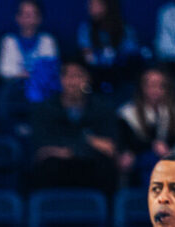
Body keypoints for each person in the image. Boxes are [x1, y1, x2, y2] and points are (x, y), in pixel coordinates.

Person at [28, 59, 125, 193]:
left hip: (92, 166)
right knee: (47, 167)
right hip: (57, 167)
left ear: (88, 79)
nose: (73, 82)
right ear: (61, 79)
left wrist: (71, 146)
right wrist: (89, 141)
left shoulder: (102, 108)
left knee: (106, 167)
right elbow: (42, 149)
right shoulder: (45, 109)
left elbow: (110, 146)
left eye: (78, 76)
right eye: (68, 76)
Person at [117, 67, 175, 182]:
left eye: (161, 86)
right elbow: (126, 144)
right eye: (151, 85)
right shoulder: (127, 114)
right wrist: (152, 147)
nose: (156, 90)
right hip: (140, 164)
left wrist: (170, 154)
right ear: (141, 87)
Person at [0, 0, 61, 100]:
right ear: (18, 18)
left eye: (33, 15)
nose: (30, 19)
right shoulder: (9, 40)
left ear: (40, 18)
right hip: (14, 88)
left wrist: (32, 76)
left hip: (43, 88)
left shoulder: (48, 40)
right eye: (26, 15)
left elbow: (50, 68)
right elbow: (4, 70)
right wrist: (25, 75)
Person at [77, 0, 143, 87]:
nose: (90, 8)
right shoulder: (85, 30)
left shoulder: (125, 30)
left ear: (108, 6)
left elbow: (131, 55)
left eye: (95, 4)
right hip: (95, 79)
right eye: (89, 5)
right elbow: (88, 57)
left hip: (122, 79)